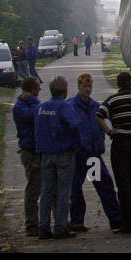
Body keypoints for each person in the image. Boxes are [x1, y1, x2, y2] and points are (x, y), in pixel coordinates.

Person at [96, 71, 131, 233]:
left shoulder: (113, 100)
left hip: (120, 144)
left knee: (123, 184)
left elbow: (99, 116)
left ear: (118, 84)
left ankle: (127, 223)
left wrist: (109, 130)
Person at [68, 73, 121, 233]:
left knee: (104, 186)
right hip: (77, 155)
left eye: (89, 86)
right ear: (79, 87)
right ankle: (77, 220)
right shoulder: (70, 105)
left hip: (92, 155)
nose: (87, 89)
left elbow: (100, 126)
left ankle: (116, 219)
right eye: (84, 86)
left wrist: (99, 144)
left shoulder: (95, 106)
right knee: (75, 188)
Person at [34, 75, 81, 239]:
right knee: (63, 192)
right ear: (66, 90)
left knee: (46, 191)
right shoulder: (64, 106)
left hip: (45, 154)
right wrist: (74, 143)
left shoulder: (41, 107)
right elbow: (75, 124)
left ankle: (43, 226)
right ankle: (60, 226)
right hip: (63, 153)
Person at [12, 77, 43, 236]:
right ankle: (31, 224)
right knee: (33, 189)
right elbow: (36, 113)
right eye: (38, 88)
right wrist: (33, 100)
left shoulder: (30, 103)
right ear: (31, 90)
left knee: (45, 188)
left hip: (39, 151)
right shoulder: (19, 107)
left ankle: (45, 222)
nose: (40, 91)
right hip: (29, 152)